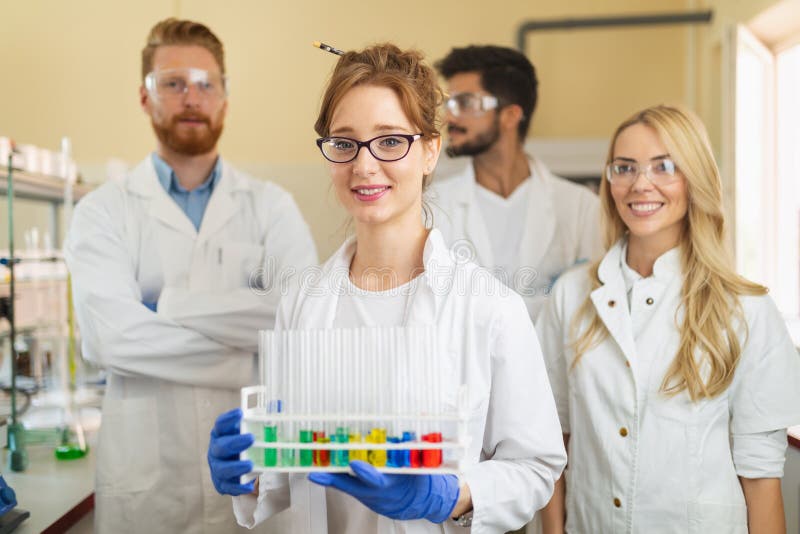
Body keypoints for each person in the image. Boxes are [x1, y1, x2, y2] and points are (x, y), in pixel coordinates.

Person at [207, 43, 567, 533]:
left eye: (390, 140)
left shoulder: (488, 306)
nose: (364, 164)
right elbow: (292, 457)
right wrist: (249, 471)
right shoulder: (303, 302)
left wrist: (451, 496)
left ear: (430, 151)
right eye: (344, 142)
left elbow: (535, 466)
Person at [65, 18, 317, 534]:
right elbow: (110, 340)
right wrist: (248, 351)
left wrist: (169, 305)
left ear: (225, 97)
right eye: (173, 83)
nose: (191, 97)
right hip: (148, 487)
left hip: (258, 478)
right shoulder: (103, 212)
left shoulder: (272, 207)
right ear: (144, 97)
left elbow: (303, 319)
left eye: (207, 84)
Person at [536, 104, 800, 533]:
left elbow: (760, 477)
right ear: (609, 182)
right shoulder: (570, 295)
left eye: (665, 166)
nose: (641, 184)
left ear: (694, 179)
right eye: (625, 167)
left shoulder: (745, 309)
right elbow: (550, 443)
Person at [430, 45, 601, 321]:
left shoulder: (581, 209)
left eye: (466, 103)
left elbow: (597, 309)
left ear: (510, 115)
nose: (450, 117)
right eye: (450, 103)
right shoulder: (433, 208)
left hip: (552, 365)